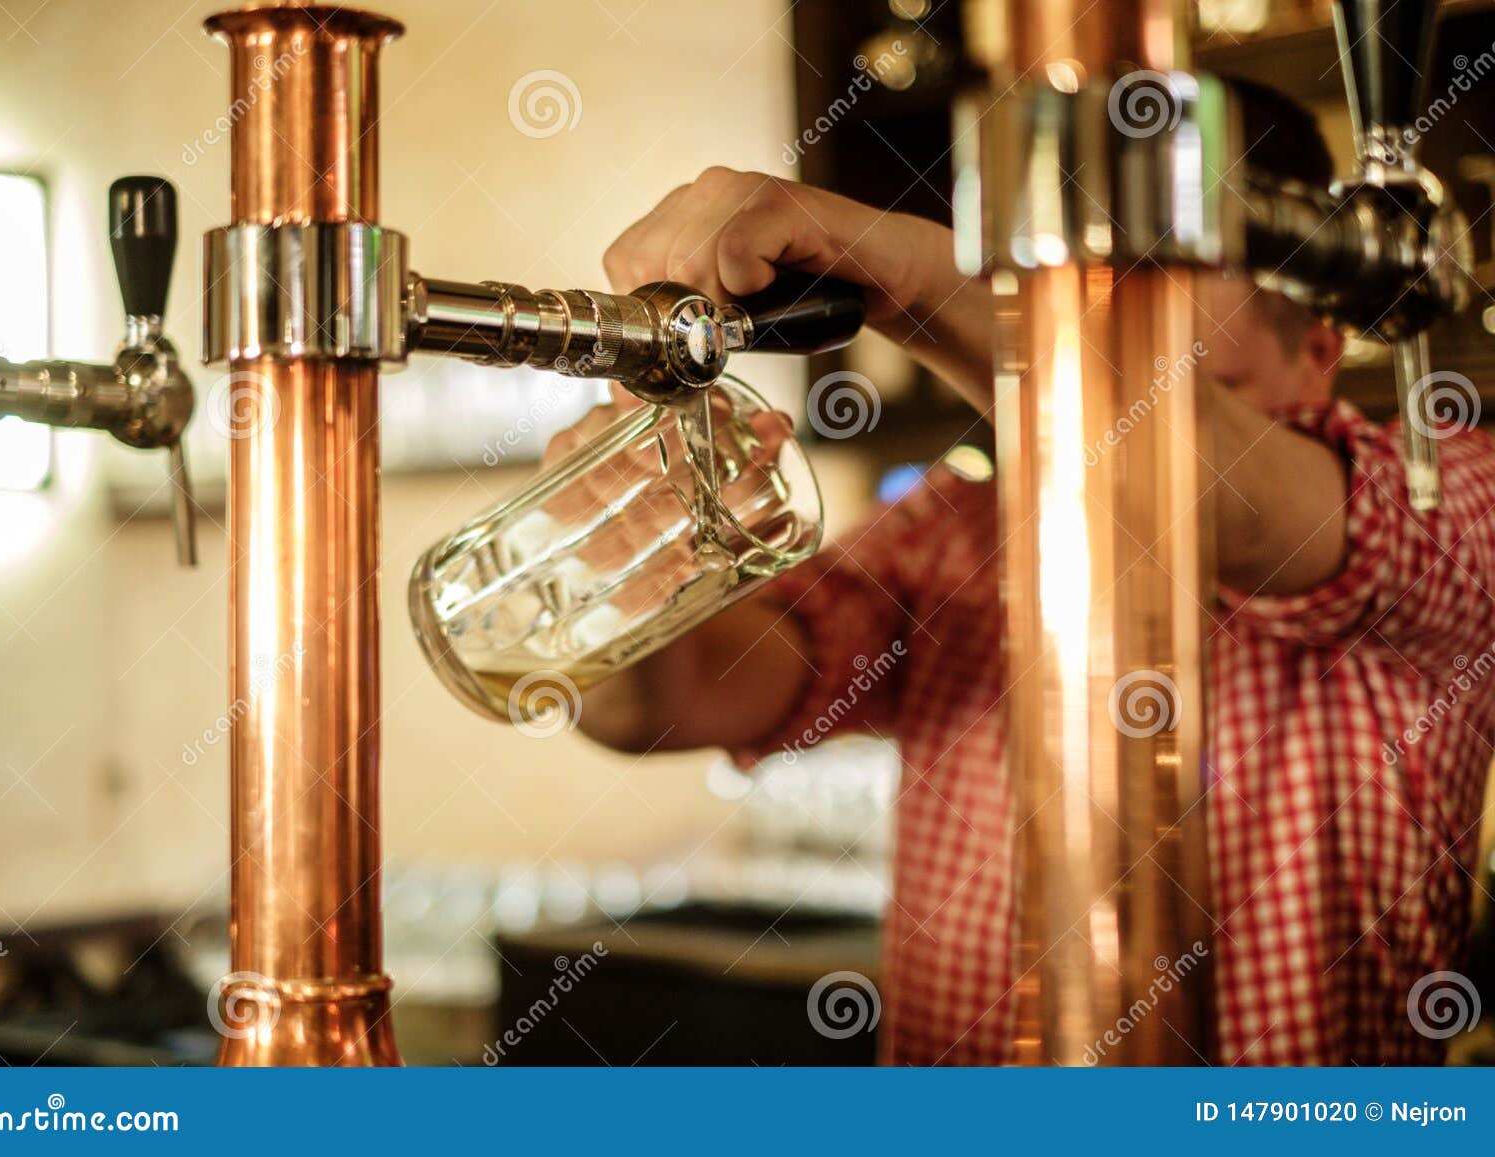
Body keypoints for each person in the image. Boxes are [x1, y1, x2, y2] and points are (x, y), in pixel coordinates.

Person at [566, 87, 1495, 1064]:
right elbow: (663, 707)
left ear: (1316, 351)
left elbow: (1200, 479)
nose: (1105, 426)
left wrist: (910, 271)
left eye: (1187, 389)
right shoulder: (956, 529)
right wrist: (624, 567)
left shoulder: (1453, 489)